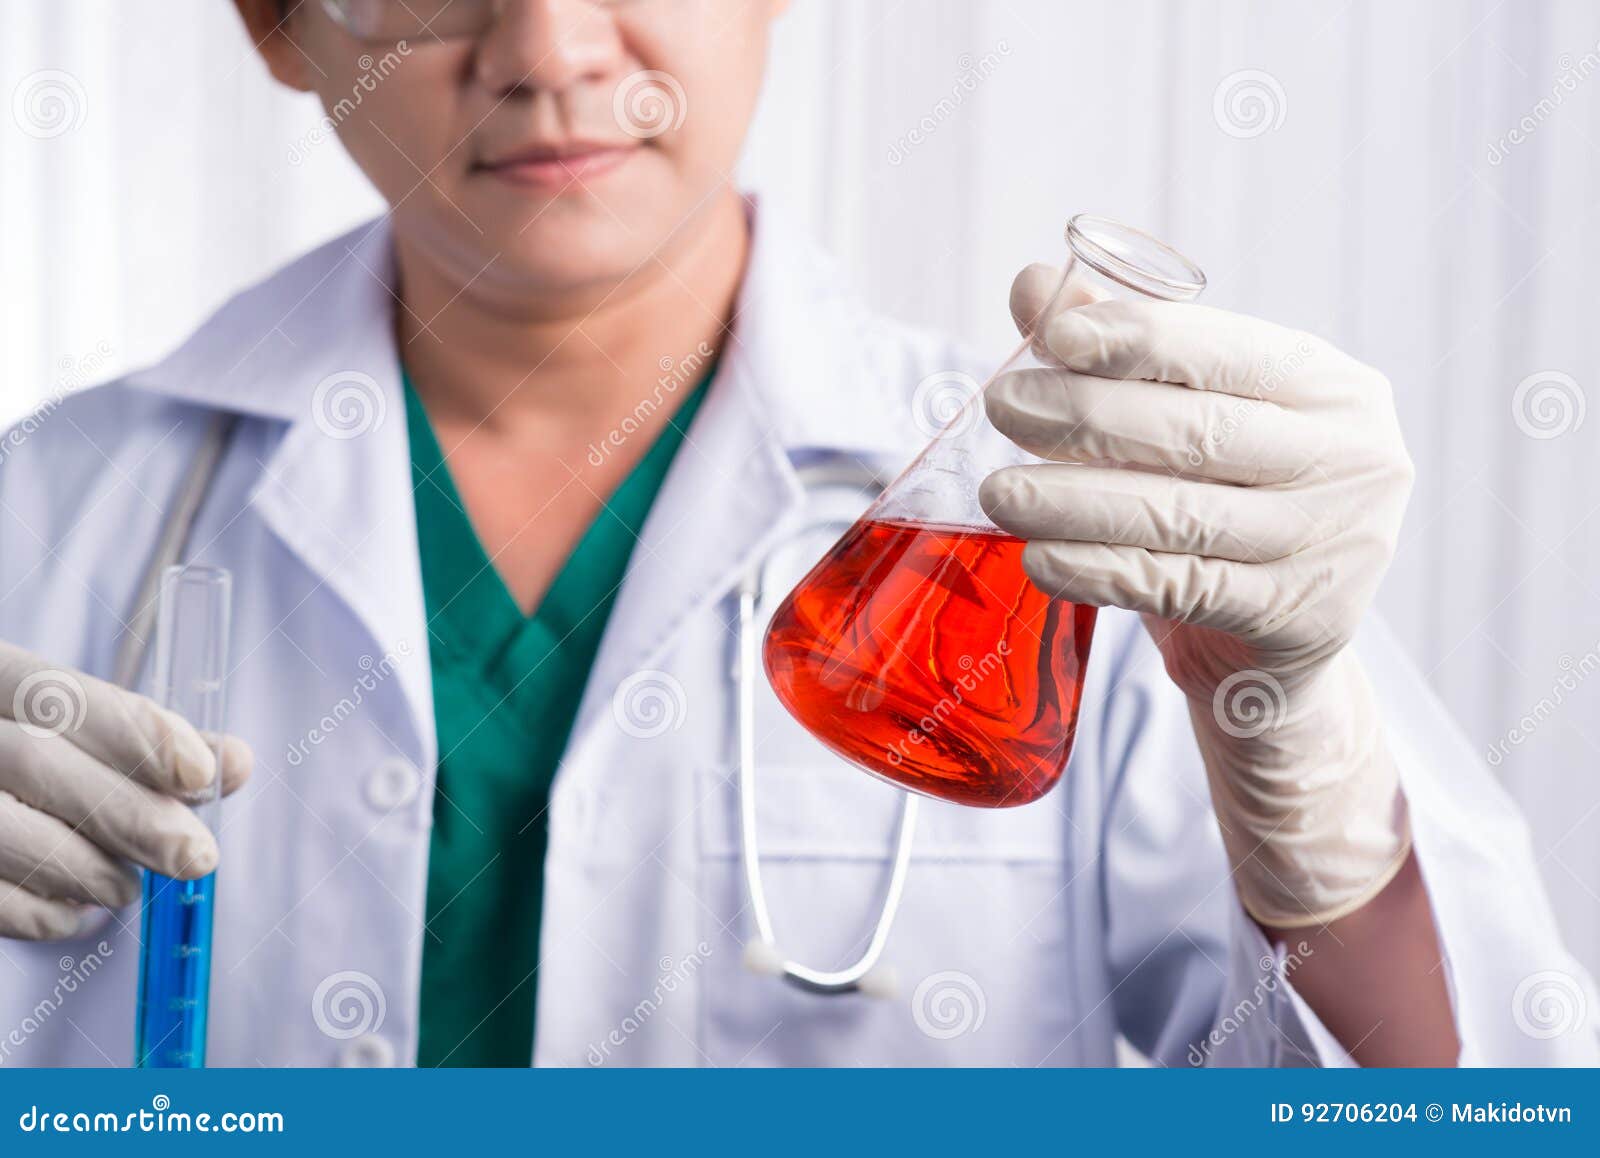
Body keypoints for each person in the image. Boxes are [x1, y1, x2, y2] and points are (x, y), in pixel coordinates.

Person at [0, 0, 1592, 1068]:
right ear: (278, 25)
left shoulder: (1116, 524)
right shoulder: (53, 516)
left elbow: (1497, 1093)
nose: (552, 47)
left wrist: (1327, 841)